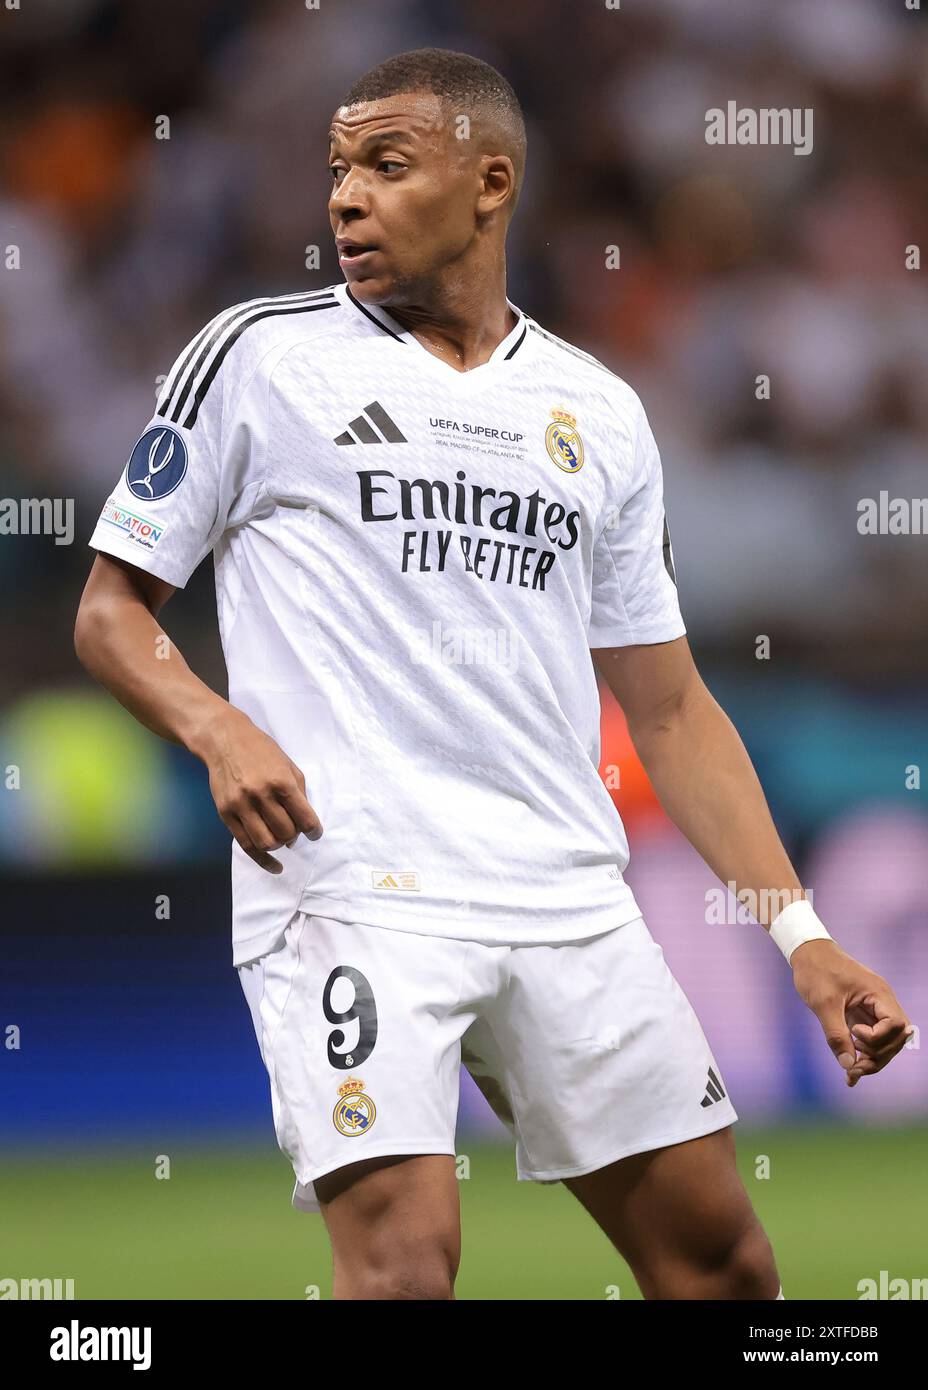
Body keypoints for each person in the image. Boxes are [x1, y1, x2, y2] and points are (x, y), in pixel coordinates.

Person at [74, 47, 912, 1301]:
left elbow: (672, 708)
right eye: (338, 169)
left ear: (491, 181)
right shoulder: (257, 358)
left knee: (726, 1270)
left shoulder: (601, 414)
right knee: (405, 1269)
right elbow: (107, 611)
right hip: (351, 884)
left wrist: (800, 936)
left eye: (386, 164)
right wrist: (214, 727)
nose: (345, 196)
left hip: (564, 892)